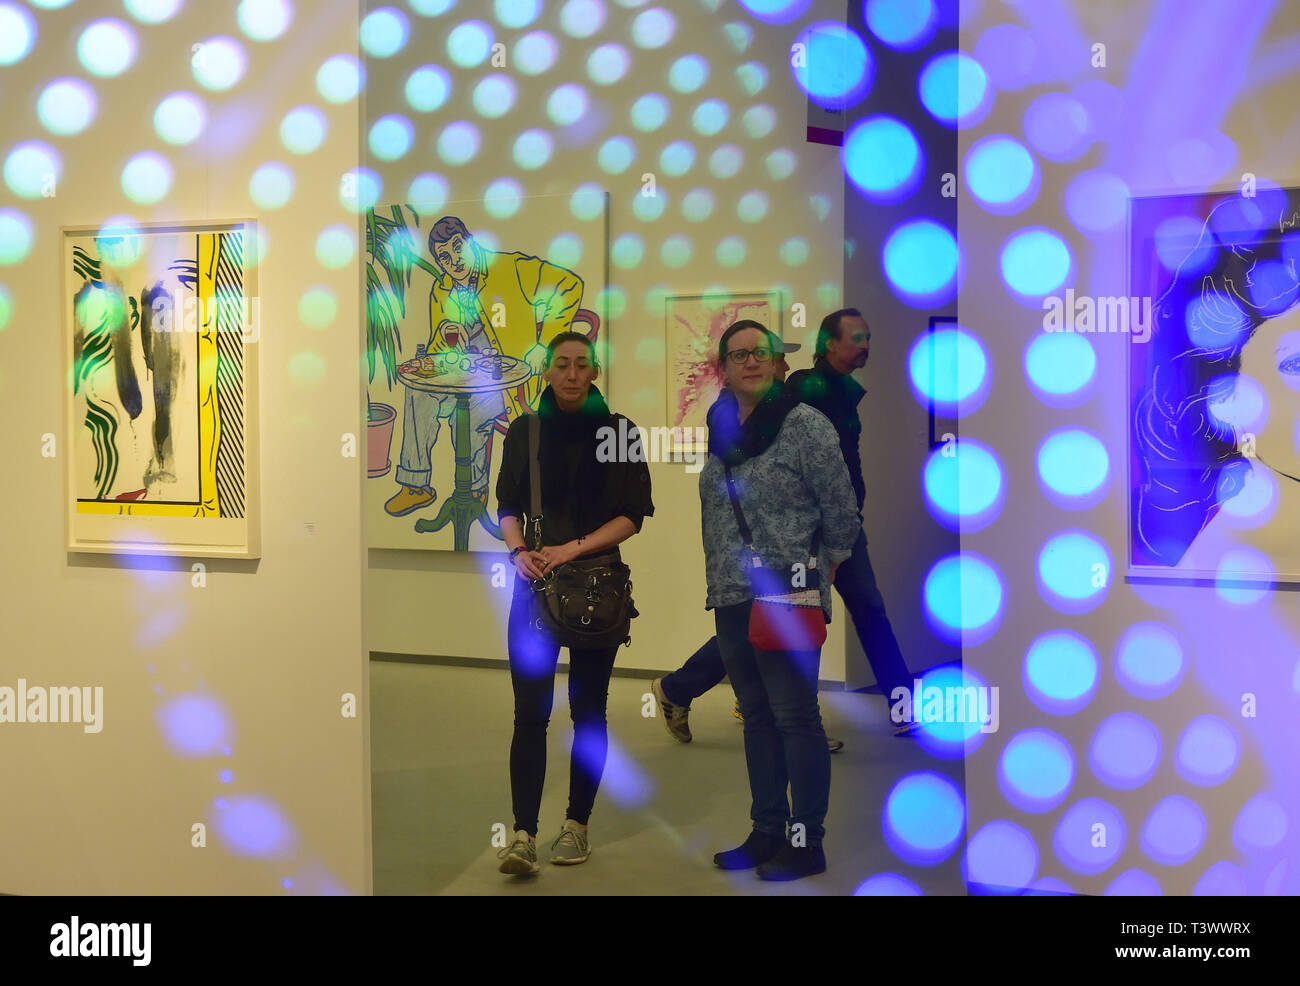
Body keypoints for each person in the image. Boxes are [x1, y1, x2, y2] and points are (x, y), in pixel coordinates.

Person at [701, 319, 859, 881]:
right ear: (723, 367)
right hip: (731, 589)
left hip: (789, 586)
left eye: (761, 353)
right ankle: (766, 830)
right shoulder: (719, 424)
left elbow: (841, 506)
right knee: (757, 716)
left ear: (777, 363)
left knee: (795, 715)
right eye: (739, 354)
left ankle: (804, 841)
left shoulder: (804, 425)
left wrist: (827, 562)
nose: (751, 361)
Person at [494, 331, 653, 876]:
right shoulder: (525, 431)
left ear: (594, 372)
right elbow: (508, 503)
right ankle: (522, 835)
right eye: (561, 364)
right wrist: (518, 550)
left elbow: (633, 515)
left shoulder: (620, 433)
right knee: (530, 714)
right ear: (547, 371)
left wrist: (569, 549)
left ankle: (576, 826)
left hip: (596, 587)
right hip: (534, 586)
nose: (570, 374)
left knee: (589, 710)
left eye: (581, 365)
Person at [651, 341, 846, 752]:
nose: (777, 364)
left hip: (787, 549)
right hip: (757, 556)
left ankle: (683, 690)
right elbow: (739, 486)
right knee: (757, 632)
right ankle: (789, 722)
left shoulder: (791, 414)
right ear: (728, 367)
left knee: (759, 632)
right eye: (749, 356)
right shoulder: (734, 415)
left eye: (769, 356)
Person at [386, 215, 585, 517]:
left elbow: (569, 286)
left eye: (458, 248)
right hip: (458, 380)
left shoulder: (511, 268)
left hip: (505, 383)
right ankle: (416, 485)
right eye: (445, 257)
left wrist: (545, 344)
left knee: (476, 405)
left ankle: (473, 490)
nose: (454, 260)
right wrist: (444, 335)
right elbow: (440, 352)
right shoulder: (442, 290)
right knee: (417, 393)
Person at [785, 309, 917, 735]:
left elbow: (847, 468)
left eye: (868, 337)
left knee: (869, 609)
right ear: (829, 343)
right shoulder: (804, 388)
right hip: (810, 532)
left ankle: (903, 706)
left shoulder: (842, 390)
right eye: (857, 337)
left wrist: (849, 519)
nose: (865, 346)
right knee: (794, 619)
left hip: (843, 526)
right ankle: (681, 687)